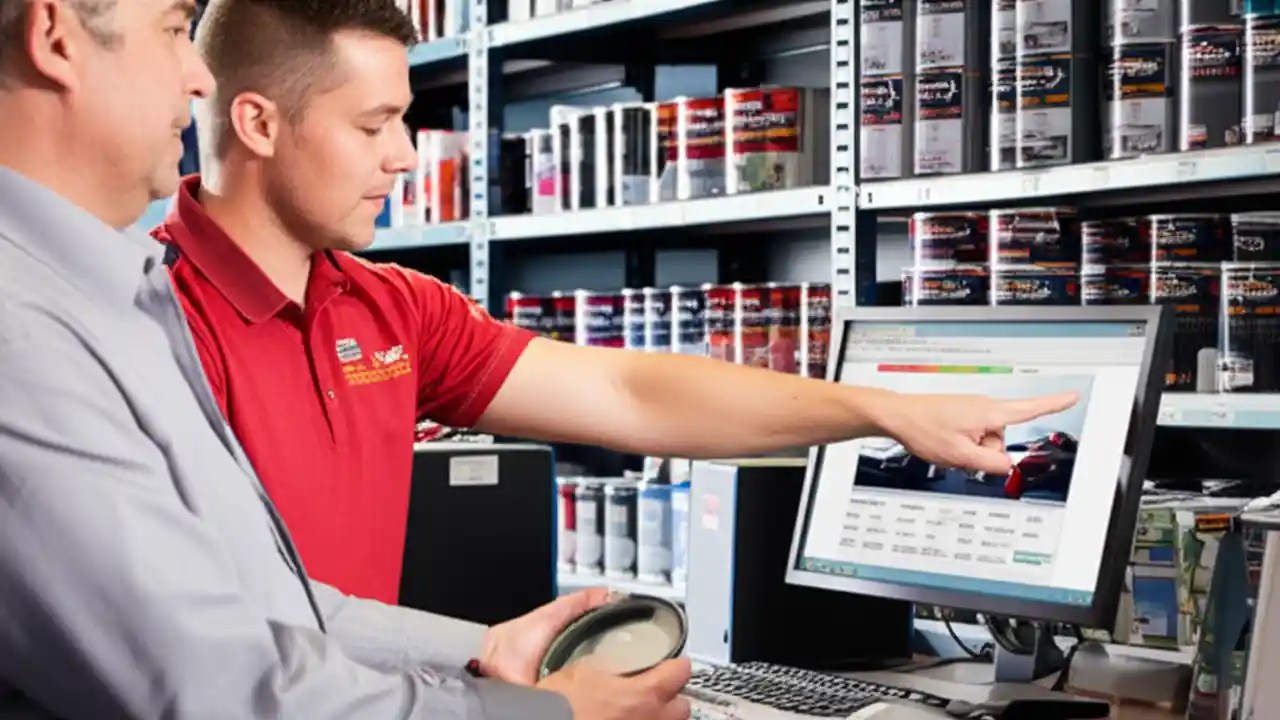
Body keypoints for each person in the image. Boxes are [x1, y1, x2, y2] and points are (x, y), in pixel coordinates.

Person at [157, 0, 1078, 610]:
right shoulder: (149, 319)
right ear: (258, 123)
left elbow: (629, 394)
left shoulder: (392, 310)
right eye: (372, 126)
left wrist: (883, 411)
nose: (402, 156)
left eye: (403, 120)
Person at [0, 0, 691, 718]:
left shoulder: (115, 297)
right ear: (57, 37)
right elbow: (219, 686)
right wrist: (550, 715)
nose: (200, 76)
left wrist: (483, 649)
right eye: (174, 29)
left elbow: (264, 606)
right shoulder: (25, 338)